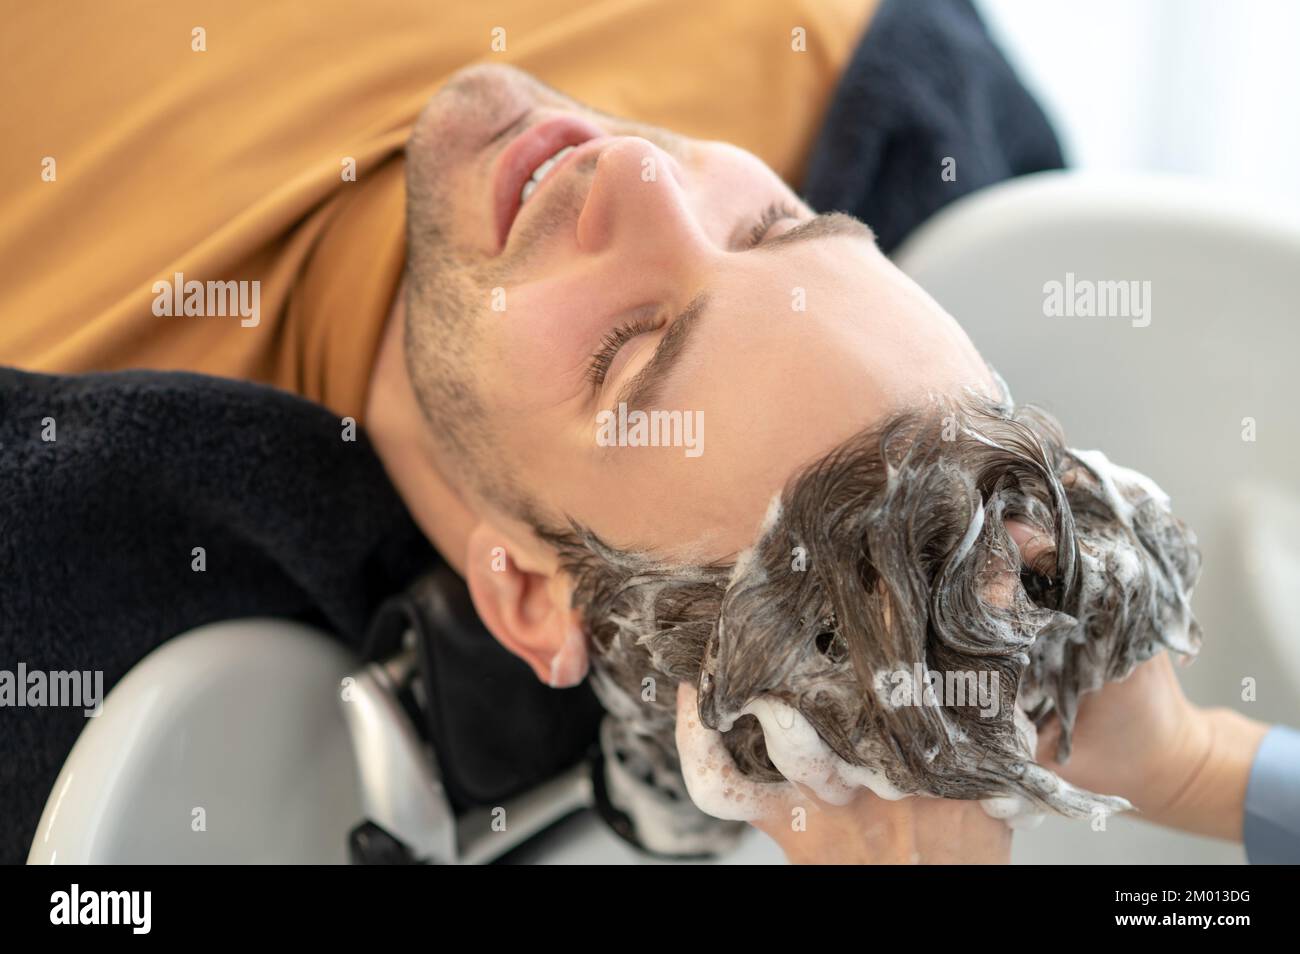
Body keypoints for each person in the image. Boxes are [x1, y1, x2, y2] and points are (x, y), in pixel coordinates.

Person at [4, 2, 1292, 864]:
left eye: (627, 356)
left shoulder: (59, 424)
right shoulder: (830, 50)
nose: (637, 173)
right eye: (777, 228)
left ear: (525, 591)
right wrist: (1203, 763)